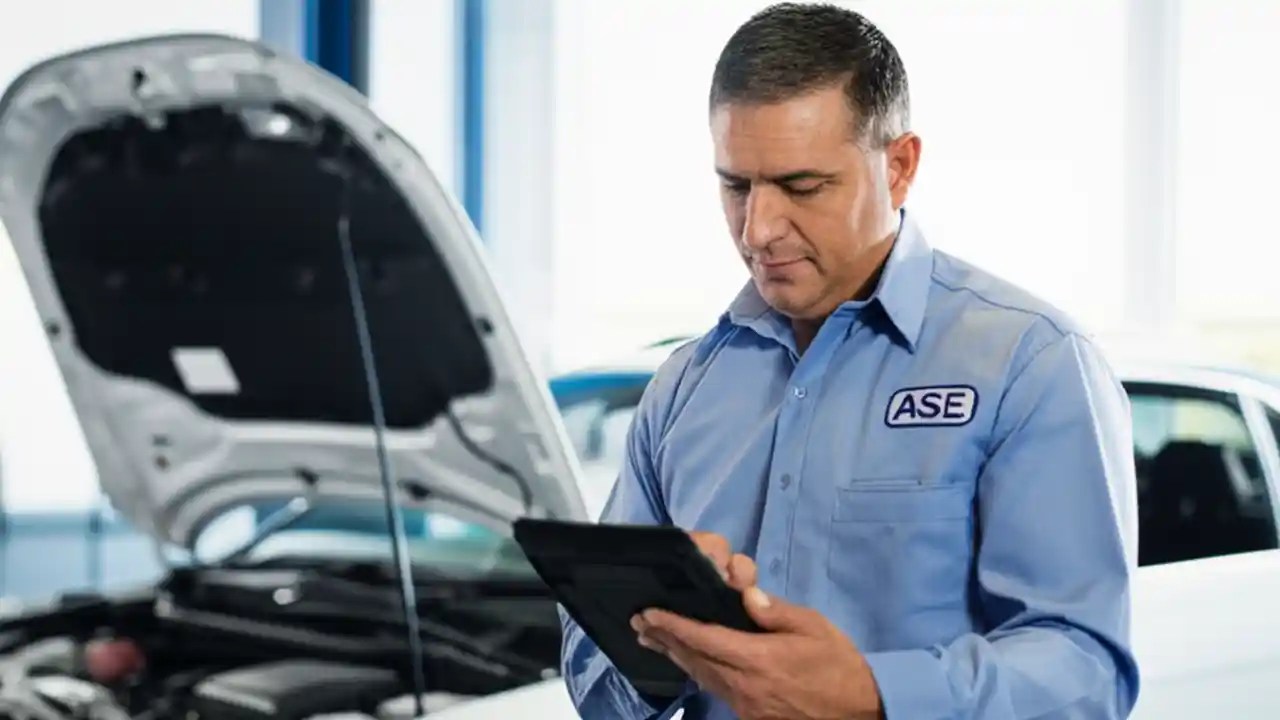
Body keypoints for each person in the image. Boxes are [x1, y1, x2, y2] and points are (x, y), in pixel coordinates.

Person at [559, 3, 1140, 719]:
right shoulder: (684, 388)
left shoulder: (1029, 364)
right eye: (736, 186)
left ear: (899, 167)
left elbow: (1085, 672)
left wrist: (871, 695)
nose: (759, 229)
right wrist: (666, 636)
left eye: (802, 187)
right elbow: (594, 683)